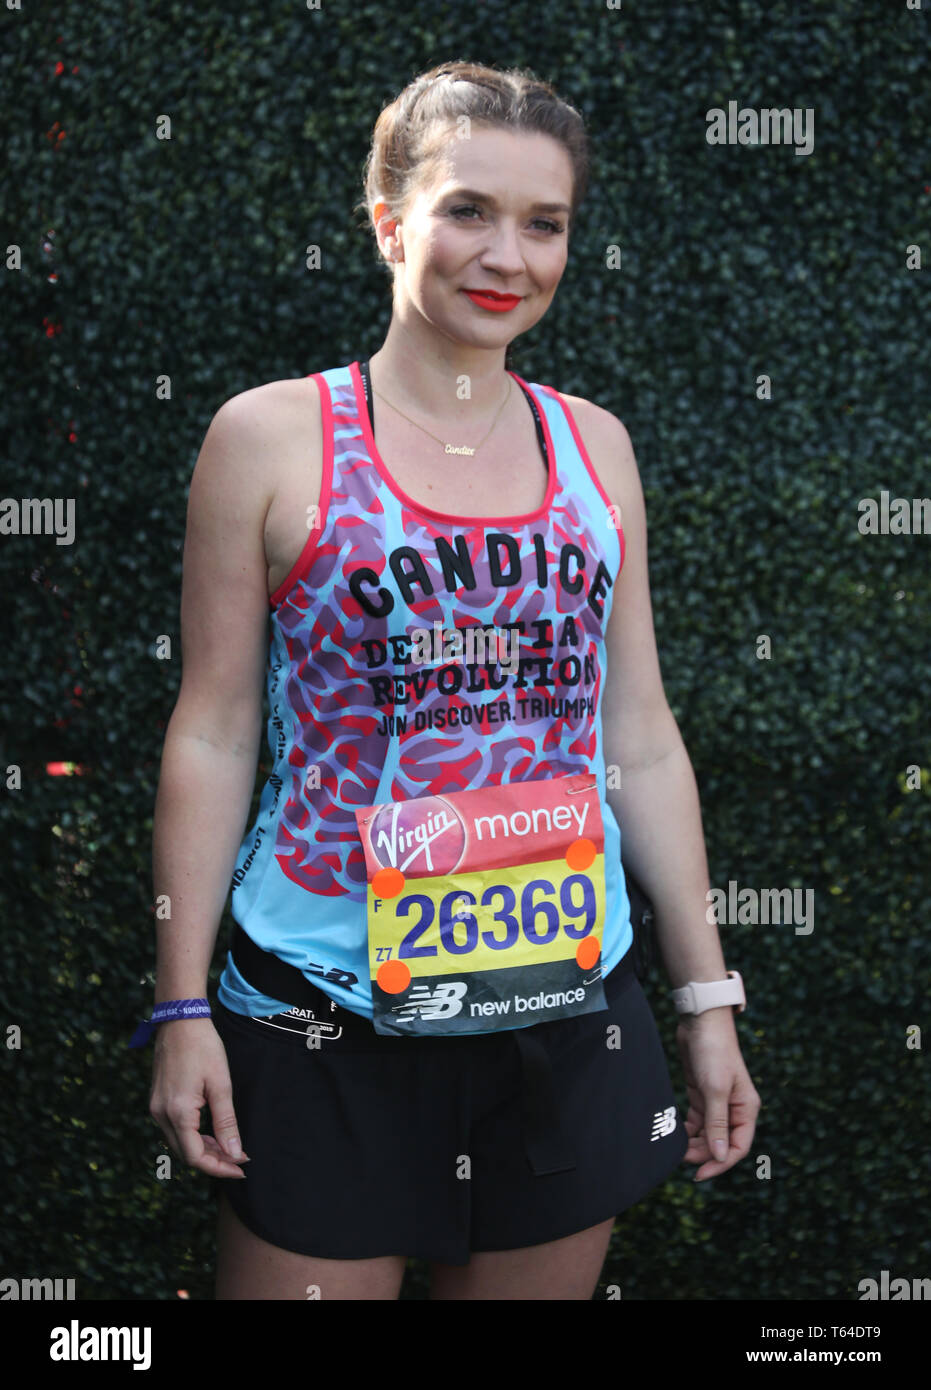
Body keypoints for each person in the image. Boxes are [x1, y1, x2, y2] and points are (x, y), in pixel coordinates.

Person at [146, 60, 760, 1301]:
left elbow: (638, 736)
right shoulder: (270, 438)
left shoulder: (595, 447)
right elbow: (211, 731)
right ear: (388, 223)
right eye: (468, 210)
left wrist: (707, 1000)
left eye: (545, 223)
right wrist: (181, 1007)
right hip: (320, 1013)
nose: (507, 256)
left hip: (565, 1010)